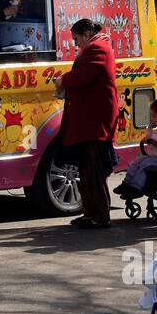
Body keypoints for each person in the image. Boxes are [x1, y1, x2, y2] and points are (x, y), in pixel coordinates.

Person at [54, 18, 119, 229]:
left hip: (95, 121)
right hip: (89, 120)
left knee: (93, 171)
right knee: (86, 170)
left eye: (76, 39)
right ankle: (90, 213)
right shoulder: (95, 47)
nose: (75, 44)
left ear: (85, 34)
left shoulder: (98, 48)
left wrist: (63, 80)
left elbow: (81, 77)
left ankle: (100, 215)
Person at [114, 101, 157, 198]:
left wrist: (151, 137)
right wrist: (150, 131)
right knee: (135, 162)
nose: (151, 119)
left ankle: (137, 187)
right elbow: (152, 135)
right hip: (155, 157)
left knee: (144, 164)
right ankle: (127, 183)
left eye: (154, 116)